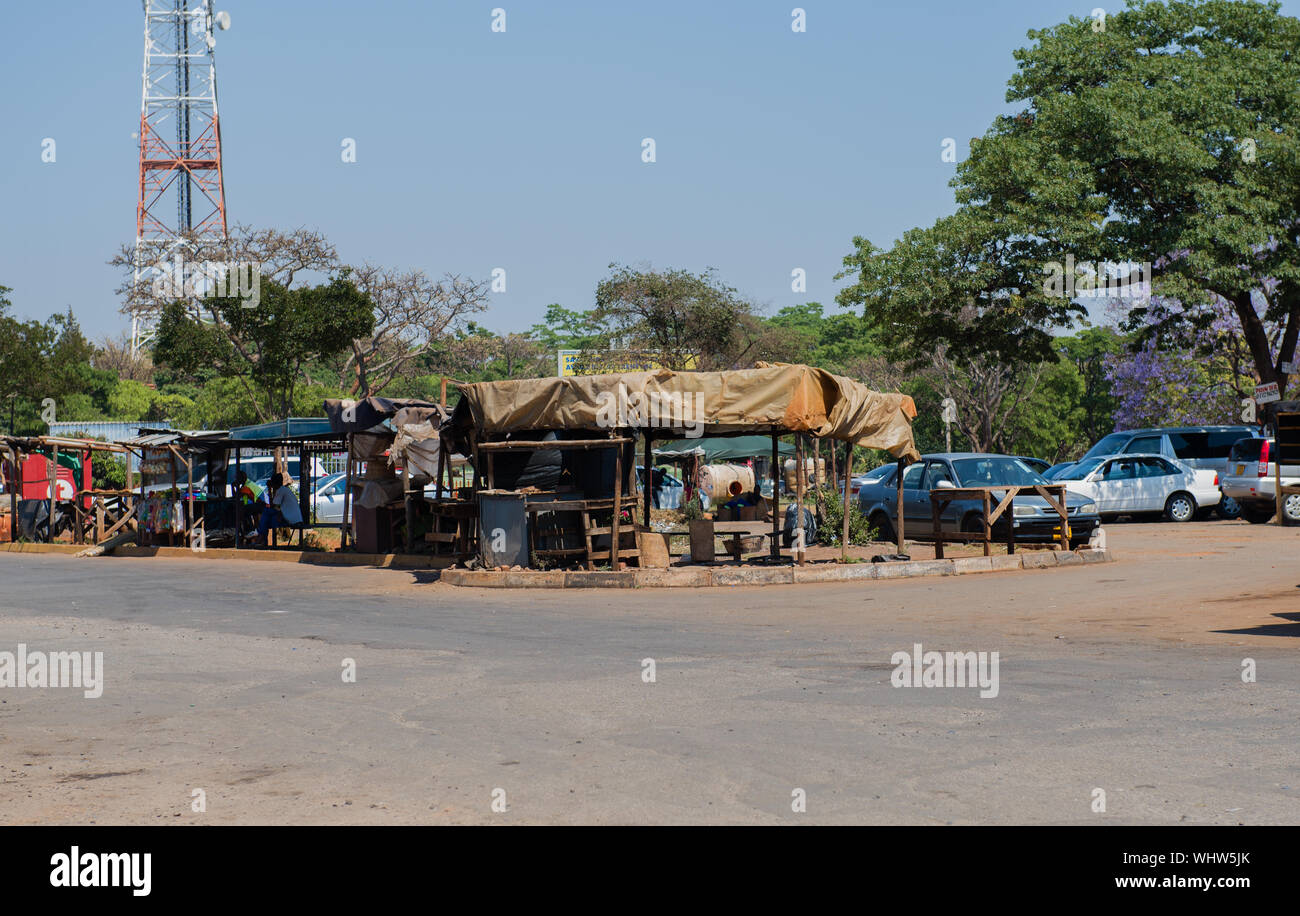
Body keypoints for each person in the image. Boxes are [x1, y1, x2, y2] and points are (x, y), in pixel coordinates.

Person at [255, 472, 303, 545]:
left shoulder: (281, 491)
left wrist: (269, 488)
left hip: (291, 519)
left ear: (274, 483)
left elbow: (273, 506)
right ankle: (262, 539)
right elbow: (276, 507)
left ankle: (261, 537)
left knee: (266, 512)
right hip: (293, 518)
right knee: (267, 518)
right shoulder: (284, 490)